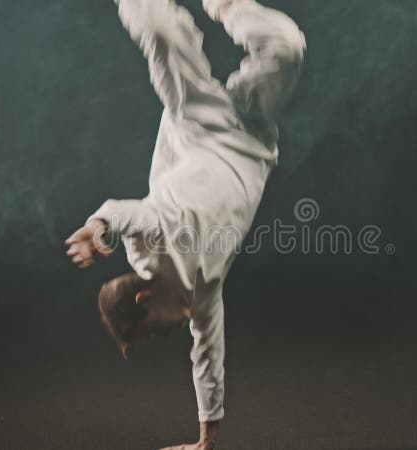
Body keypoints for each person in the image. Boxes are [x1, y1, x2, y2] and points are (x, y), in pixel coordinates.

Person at [65, 0, 305, 448]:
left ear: (144, 297)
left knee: (158, 29)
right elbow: (208, 362)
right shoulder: (203, 297)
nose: (167, 333)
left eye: (153, 329)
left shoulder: (150, 249)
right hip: (250, 138)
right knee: (288, 48)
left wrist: (97, 228)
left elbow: (127, 212)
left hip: (201, 125)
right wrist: (204, 444)